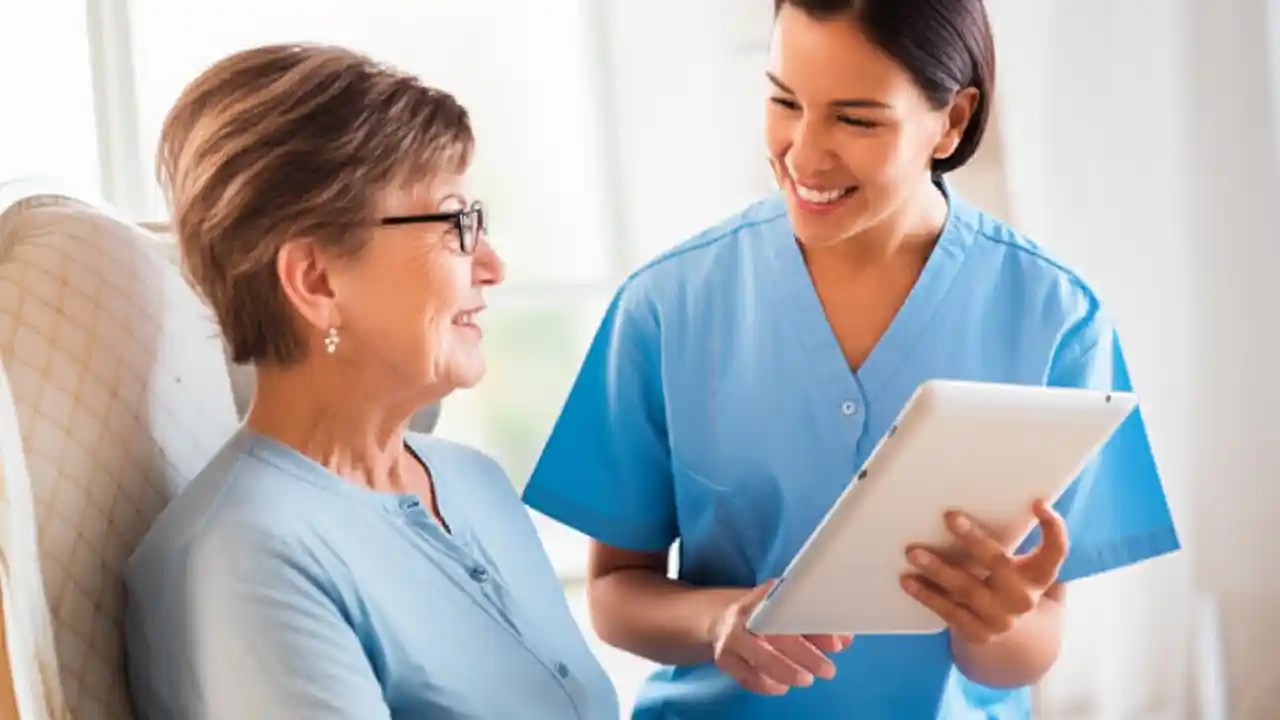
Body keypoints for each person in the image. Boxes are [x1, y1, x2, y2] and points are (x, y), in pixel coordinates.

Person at [522, 1, 1181, 718]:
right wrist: (716, 621)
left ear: (952, 121)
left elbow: (1030, 640)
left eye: (856, 120)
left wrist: (995, 621)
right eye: (784, 102)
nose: (803, 155)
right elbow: (616, 593)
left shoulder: (1057, 318)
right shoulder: (665, 305)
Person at [123, 44, 618, 720]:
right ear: (316, 280)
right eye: (454, 223)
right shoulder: (242, 558)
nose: (492, 264)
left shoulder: (476, 484)